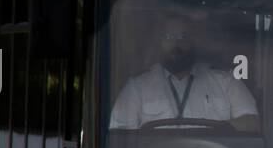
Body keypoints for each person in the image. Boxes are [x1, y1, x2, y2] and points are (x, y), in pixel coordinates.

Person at [109, 10, 259, 132]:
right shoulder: (138, 86)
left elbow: (252, 123)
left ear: (194, 41)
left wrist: (211, 134)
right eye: (169, 37)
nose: (176, 44)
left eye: (183, 36)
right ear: (158, 42)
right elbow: (120, 135)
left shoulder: (226, 80)